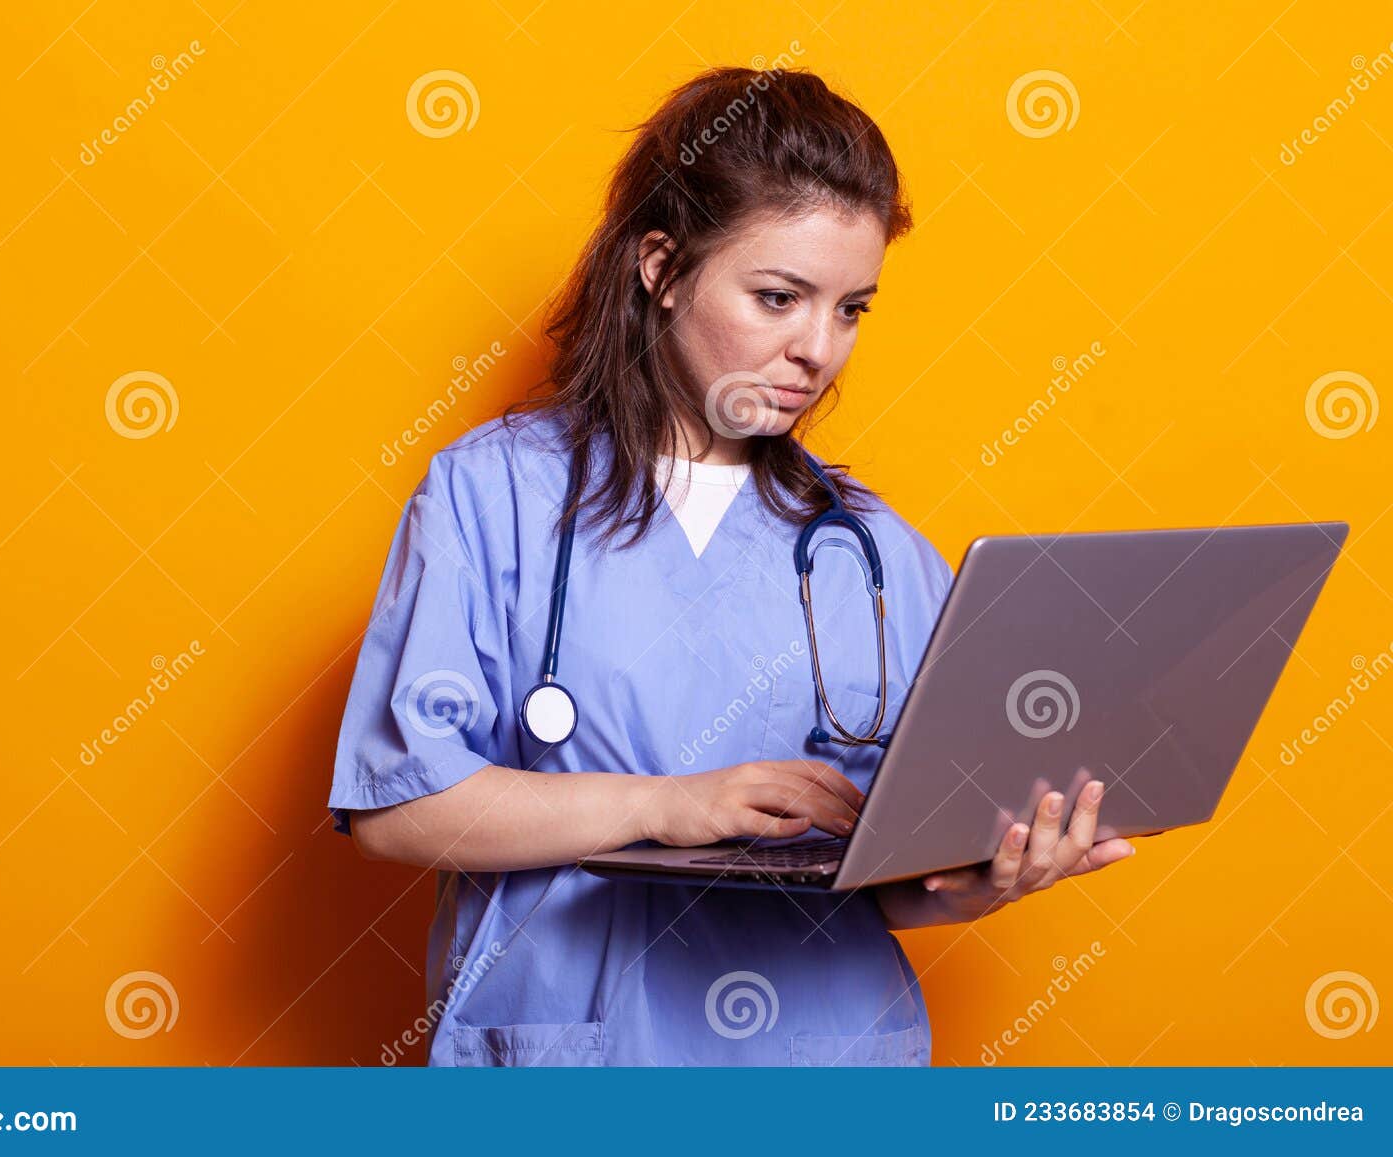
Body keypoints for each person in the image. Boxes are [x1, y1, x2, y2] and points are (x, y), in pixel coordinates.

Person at [328, 66, 1133, 1066]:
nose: (817, 350)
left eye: (851, 309)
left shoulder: (874, 550)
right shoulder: (493, 497)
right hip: (581, 1058)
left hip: (829, 1060)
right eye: (778, 296)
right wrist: (666, 804)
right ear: (661, 268)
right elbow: (399, 807)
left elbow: (888, 873)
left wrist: (985, 877)